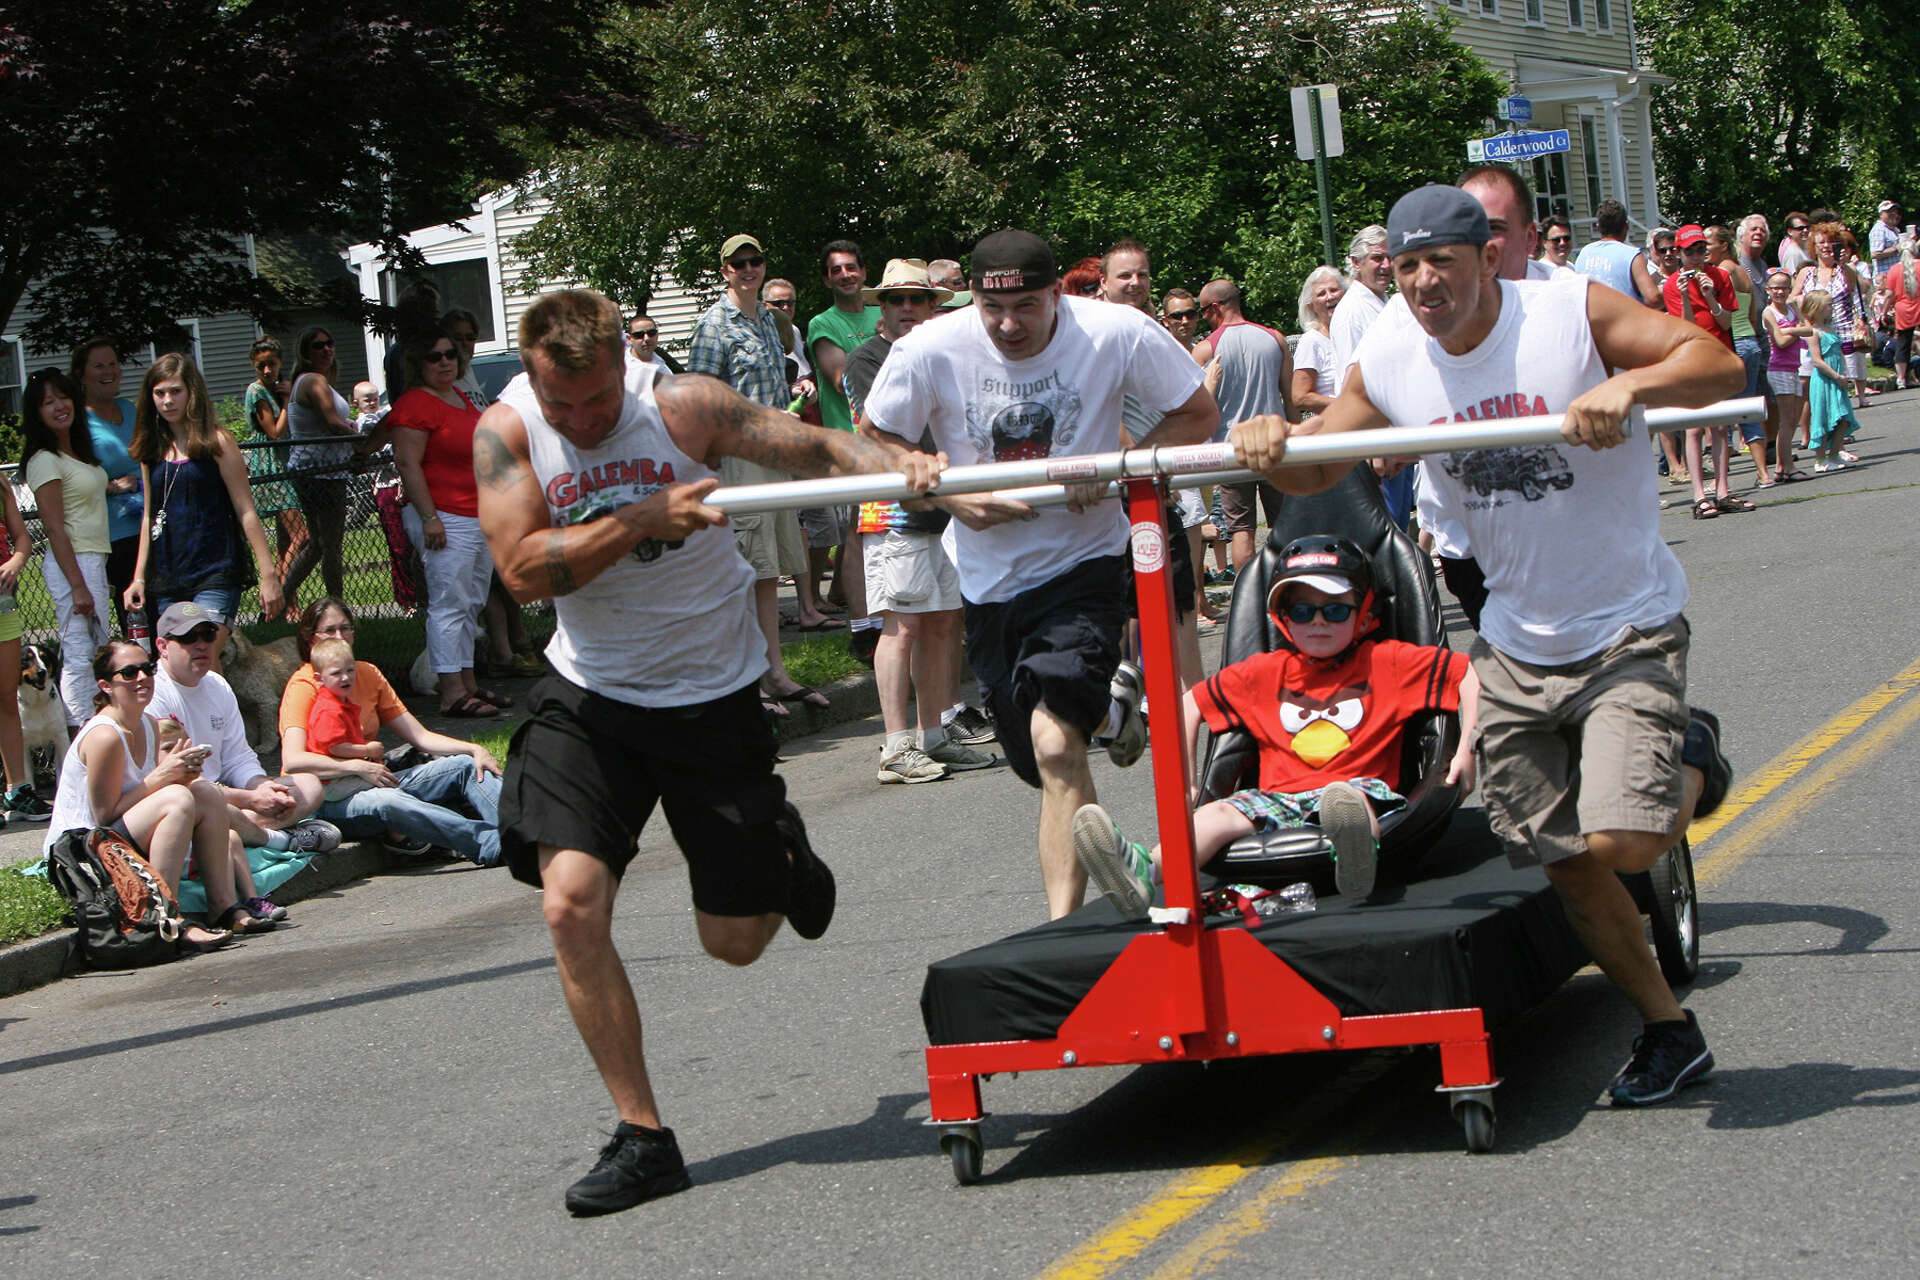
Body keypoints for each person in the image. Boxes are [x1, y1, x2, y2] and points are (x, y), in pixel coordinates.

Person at [1230, 183, 1740, 1107]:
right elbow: (1320, 456)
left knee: (1624, 842)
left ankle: (1689, 750)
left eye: (1444, 263)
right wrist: (1274, 437)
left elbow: (1715, 362)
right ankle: (1669, 1029)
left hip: (1623, 622)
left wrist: (1628, 383)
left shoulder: (1565, 315)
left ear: (1487, 260)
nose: (1425, 282)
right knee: (1563, 860)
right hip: (1512, 642)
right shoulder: (1390, 351)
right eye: (1408, 264)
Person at [470, 286, 939, 1215]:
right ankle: (644, 1137)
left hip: (711, 691)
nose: (581, 421)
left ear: (624, 370)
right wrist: (639, 520)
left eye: (596, 402)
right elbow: (523, 573)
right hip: (591, 694)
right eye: (561, 404)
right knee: (569, 906)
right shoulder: (510, 431)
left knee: (732, 946)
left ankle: (781, 850)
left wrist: (896, 465)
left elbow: (808, 443)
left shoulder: (680, 406)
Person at [864, 230, 1219, 919]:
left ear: (1057, 292)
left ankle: (1064, 933)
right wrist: (944, 493)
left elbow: (1197, 414)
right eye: (992, 309)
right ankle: (1116, 720)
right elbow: (876, 435)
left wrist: (1123, 471)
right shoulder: (931, 347)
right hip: (990, 585)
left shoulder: (1116, 332)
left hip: (1086, 565)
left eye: (1027, 307)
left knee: (1057, 746)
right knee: (1044, 764)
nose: (1007, 325)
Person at [1073, 536, 1478, 909]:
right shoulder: (1264, 673)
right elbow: (1189, 705)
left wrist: (1467, 748)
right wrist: (1185, 779)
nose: (1318, 622)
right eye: (1303, 611)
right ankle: (1148, 871)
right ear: (1283, 618)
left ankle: (1356, 856)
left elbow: (1472, 674)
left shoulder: (1388, 662)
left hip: (1358, 791)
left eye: (1335, 610)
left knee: (1350, 804)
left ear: (1365, 615)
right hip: (1277, 801)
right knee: (1215, 816)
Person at [843, 259, 996, 782]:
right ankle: (893, 746)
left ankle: (933, 735)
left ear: (934, 305)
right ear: (881, 307)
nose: (906, 308)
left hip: (943, 505)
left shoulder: (940, 353)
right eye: (895, 300)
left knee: (941, 623)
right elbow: (882, 429)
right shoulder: (867, 359)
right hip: (893, 509)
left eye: (917, 299)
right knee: (901, 624)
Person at [688, 234, 835, 713]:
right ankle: (743, 682)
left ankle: (775, 673)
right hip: (736, 460)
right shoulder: (713, 324)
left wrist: (795, 393)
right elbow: (702, 402)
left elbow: (768, 387)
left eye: (755, 261)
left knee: (771, 571)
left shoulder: (771, 321)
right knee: (744, 569)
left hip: (774, 456)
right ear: (725, 271)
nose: (749, 269)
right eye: (739, 263)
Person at [43, 639, 267, 942]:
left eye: (146, 669)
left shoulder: (149, 724)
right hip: (85, 848)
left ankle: (224, 907)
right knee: (176, 799)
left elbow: (145, 798)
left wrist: (182, 775)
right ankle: (166, 919)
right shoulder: (105, 736)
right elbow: (103, 816)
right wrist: (163, 778)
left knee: (206, 794)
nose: (141, 678)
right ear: (106, 686)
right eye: (129, 673)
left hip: (120, 836)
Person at [277, 599, 504, 866]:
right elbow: (294, 761)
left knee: (465, 766)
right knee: (388, 800)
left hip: (374, 778)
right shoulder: (305, 684)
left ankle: (525, 829)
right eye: (329, 630)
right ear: (309, 638)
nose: (340, 637)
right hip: (327, 796)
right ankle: (492, 844)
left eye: (346, 628)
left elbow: (419, 737)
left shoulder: (366, 673)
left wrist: (473, 748)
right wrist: (358, 765)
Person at [125, 355, 286, 658]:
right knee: (177, 664)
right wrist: (139, 578)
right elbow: (149, 516)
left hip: (215, 568)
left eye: (176, 391)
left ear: (192, 393)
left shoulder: (218, 441)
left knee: (203, 654)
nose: (168, 401)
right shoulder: (151, 449)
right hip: (168, 573)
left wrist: (269, 575)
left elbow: (246, 510)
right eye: (159, 393)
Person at [146, 601, 338, 854]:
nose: (201, 644)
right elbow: (177, 780)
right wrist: (249, 799)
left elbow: (238, 756)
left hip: (225, 795)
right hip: (185, 799)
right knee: (203, 802)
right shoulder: (153, 694)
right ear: (162, 647)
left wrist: (262, 787)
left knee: (309, 786)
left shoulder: (217, 685)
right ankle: (270, 837)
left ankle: (239, 833)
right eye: (188, 637)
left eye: (208, 635)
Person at [391, 327, 502, 717]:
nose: (444, 362)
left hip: (476, 514)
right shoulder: (415, 404)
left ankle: (469, 683)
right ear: (419, 364)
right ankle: (451, 691)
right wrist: (429, 517)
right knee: (448, 605)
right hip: (445, 517)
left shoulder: (458, 397)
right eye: (434, 357)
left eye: (450, 355)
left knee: (471, 603)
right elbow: (407, 463)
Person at [20, 369, 113, 725]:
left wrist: (115, 486)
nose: (59, 406)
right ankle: (79, 732)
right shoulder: (44, 458)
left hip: (92, 558)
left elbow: (81, 496)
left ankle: (99, 727)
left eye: (63, 397)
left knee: (96, 649)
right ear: (37, 413)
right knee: (79, 652)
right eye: (48, 402)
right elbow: (55, 528)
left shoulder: (74, 452)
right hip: (73, 562)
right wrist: (77, 586)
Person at [804, 239, 878, 649]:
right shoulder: (823, 323)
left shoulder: (880, 310)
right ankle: (863, 628)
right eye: (836, 270)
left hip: (897, 438)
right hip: (851, 440)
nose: (846, 275)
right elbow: (841, 377)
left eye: (852, 267)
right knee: (858, 530)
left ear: (864, 272)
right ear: (826, 278)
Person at [1192, 278, 1291, 570]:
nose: (1202, 318)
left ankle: (1250, 595)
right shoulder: (1276, 338)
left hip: (1232, 451)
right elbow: (1291, 398)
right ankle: (1288, 589)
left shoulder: (1206, 349)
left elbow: (1195, 407)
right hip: (1275, 445)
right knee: (1285, 526)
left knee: (1242, 530)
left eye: (1202, 311)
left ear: (1215, 308)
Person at [1664, 225, 1749, 519]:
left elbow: (1726, 323)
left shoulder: (1720, 276)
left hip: (1719, 354)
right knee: (1694, 426)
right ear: (1679, 253)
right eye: (1690, 252)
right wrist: (1687, 295)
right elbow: (1685, 328)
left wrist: (1710, 296)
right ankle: (1699, 495)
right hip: (1691, 359)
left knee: (1722, 426)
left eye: (1701, 250)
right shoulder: (1672, 284)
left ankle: (1723, 489)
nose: (1697, 257)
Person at [70, 339, 145, 630]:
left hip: (149, 525)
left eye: (112, 363)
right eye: (98, 365)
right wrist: (109, 486)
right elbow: (74, 478)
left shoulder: (129, 409)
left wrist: (137, 481)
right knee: (136, 614)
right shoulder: (77, 421)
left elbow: (152, 457)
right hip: (113, 534)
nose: (108, 371)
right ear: (81, 374)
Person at [0, 456, 48, 822]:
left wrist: (17, 560)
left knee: (5, 699)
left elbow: (21, 538)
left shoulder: (1, 486)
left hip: (3, 607)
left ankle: (18, 790)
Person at [241, 337, 308, 591]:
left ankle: (290, 606)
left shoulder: (276, 387)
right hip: (270, 466)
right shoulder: (257, 391)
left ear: (281, 362)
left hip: (284, 462)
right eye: (261, 366)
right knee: (302, 535)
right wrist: (287, 400)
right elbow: (276, 433)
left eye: (272, 364)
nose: (267, 370)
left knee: (285, 540)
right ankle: (276, 589)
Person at [1707, 224, 1771, 476]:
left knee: (1722, 412)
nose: (1704, 249)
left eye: (1708, 244)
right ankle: (1763, 472)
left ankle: (1720, 475)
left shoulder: (1722, 270)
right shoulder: (1743, 271)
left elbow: (1718, 311)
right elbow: (1753, 312)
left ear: (1723, 245)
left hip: (1733, 342)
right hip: (1750, 342)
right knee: (1747, 407)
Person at [1801, 290, 1860, 472]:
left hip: (1838, 377)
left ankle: (1834, 454)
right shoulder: (1813, 331)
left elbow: (1839, 353)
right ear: (1816, 308)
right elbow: (1817, 361)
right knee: (1824, 417)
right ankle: (1820, 459)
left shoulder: (1831, 327)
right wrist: (1835, 375)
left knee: (1843, 417)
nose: (1831, 308)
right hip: (1825, 379)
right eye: (1828, 305)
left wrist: (1844, 373)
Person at [1761, 270, 1811, 484]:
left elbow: (1809, 329)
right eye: (1775, 288)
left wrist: (1789, 332)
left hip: (1794, 367)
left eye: (1784, 287)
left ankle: (1784, 465)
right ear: (1768, 290)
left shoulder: (1792, 308)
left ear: (1790, 289)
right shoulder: (1769, 312)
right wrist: (1795, 331)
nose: (1780, 292)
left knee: (1791, 420)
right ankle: (1786, 466)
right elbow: (1779, 342)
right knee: (1786, 420)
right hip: (1778, 368)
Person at [1574, 199, 1661, 306]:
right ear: (1626, 226)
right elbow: (1653, 298)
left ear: (1599, 226)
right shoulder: (1632, 255)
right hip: (1624, 320)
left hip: (1591, 320)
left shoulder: (1584, 253)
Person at [1291, 266, 1346, 417]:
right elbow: (1300, 397)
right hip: (1335, 429)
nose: (1329, 297)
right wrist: (1346, 407)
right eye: (1321, 293)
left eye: (1334, 290)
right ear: (1311, 305)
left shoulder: (1354, 334)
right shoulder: (1311, 342)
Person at [1885, 239, 1920, 390]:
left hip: (1902, 309)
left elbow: (1889, 294)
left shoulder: (1894, 269)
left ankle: (1901, 379)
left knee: (1903, 344)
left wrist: (1884, 311)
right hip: (1918, 305)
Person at [1870, 200, 1903, 281]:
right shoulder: (1879, 229)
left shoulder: (1895, 229)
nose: (1893, 214)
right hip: (1885, 278)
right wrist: (1896, 248)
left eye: (1894, 211)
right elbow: (1875, 254)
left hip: (1896, 275)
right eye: (1889, 212)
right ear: (1881, 214)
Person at [1778, 211, 1813, 276]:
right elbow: (1792, 279)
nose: (1805, 230)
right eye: (1800, 228)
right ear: (1790, 231)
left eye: (1807, 227)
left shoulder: (1804, 247)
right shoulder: (1793, 253)